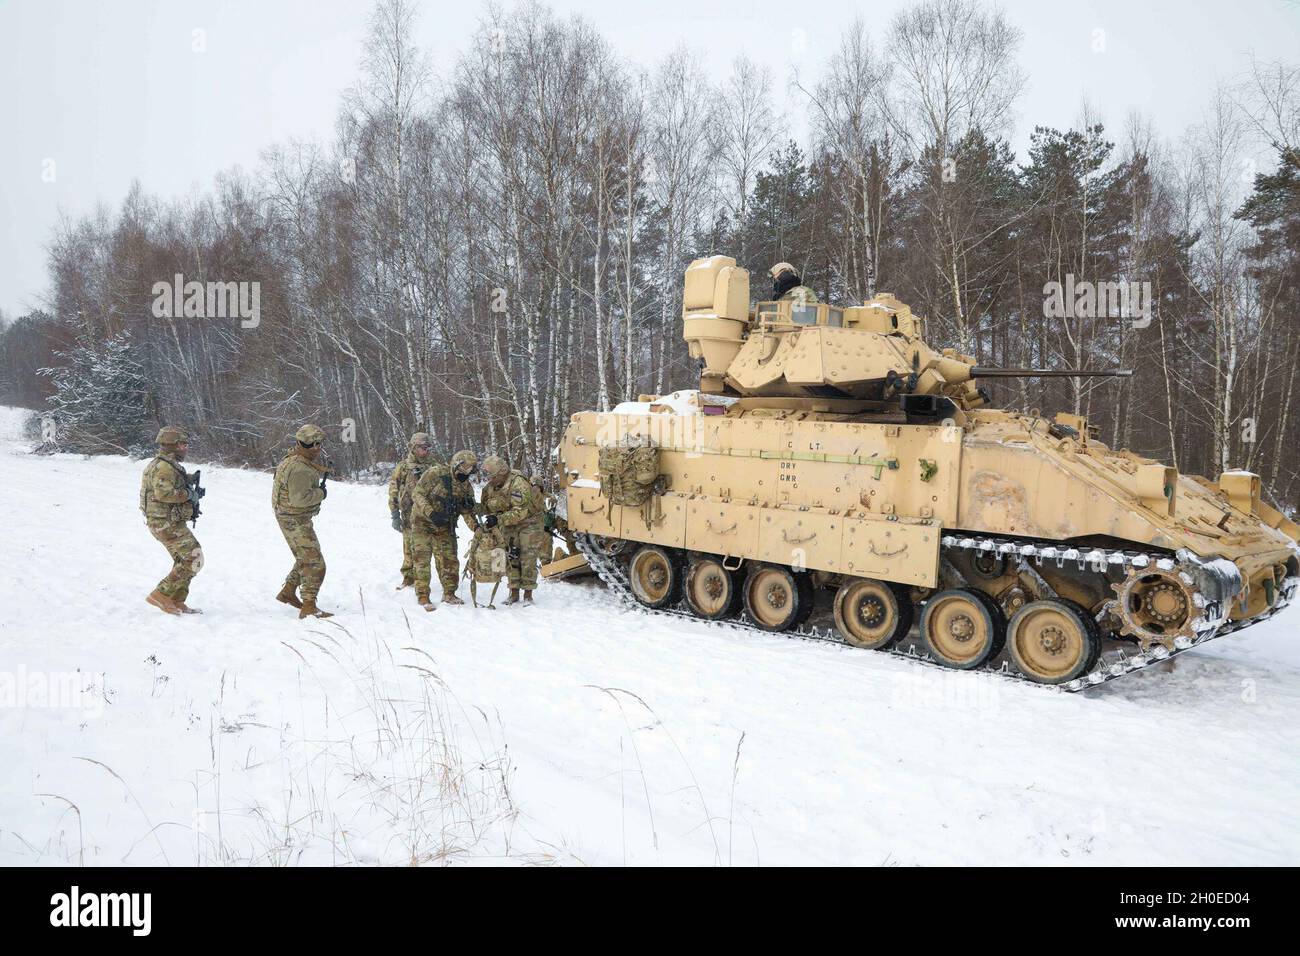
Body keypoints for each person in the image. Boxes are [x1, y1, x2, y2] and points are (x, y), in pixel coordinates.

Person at [139, 425, 204, 615]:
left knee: (184, 559)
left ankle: (175, 600)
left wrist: (188, 480)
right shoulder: (164, 467)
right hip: (165, 523)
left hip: (168, 521)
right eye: (182, 444)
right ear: (171, 445)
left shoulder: (168, 465)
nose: (185, 448)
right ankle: (161, 594)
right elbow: (164, 493)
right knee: (194, 558)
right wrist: (188, 494)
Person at [272, 424, 333, 619]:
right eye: (318, 445)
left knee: (305, 558)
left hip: (291, 516)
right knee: (314, 563)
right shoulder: (299, 468)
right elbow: (299, 499)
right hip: (293, 519)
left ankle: (288, 592)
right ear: (313, 445)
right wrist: (320, 494)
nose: (320, 448)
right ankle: (308, 607)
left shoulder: (295, 460)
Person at [409, 450, 480, 609]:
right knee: (422, 560)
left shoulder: (466, 487)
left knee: (449, 560)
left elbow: (467, 510)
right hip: (423, 524)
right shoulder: (435, 474)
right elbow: (418, 494)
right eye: (464, 470)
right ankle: (423, 596)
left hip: (445, 527)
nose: (466, 474)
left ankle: (449, 593)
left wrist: (475, 527)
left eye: (470, 471)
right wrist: (431, 513)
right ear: (456, 465)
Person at [479, 455, 546, 605]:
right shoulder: (490, 487)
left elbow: (520, 512)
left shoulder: (518, 483)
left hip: (530, 523)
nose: (490, 479)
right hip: (509, 524)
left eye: (493, 476)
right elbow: (486, 507)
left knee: (527, 557)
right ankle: (513, 592)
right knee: (511, 556)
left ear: (501, 473)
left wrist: (498, 519)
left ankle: (528, 595)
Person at [387, 433, 435, 590]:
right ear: (413, 448)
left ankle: (424, 578)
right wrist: (394, 514)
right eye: (422, 448)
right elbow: (393, 490)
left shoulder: (434, 466)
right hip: (408, 514)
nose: (425, 451)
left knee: (427, 549)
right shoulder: (403, 466)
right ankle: (408, 578)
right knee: (409, 547)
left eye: (428, 448)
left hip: (429, 515)